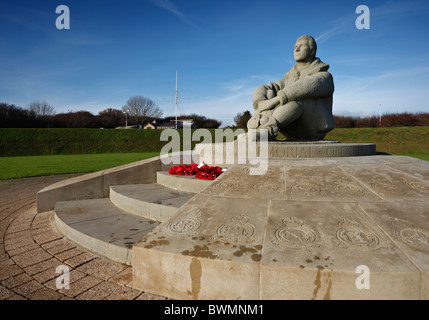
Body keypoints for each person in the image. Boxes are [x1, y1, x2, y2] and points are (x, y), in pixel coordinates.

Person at [247, 35, 334, 141]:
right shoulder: (290, 78)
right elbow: (268, 87)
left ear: (312, 51)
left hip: (312, 129)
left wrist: (276, 100)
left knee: (297, 96)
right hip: (292, 128)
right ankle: (257, 129)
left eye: (301, 46)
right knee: (269, 93)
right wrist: (260, 101)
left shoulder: (325, 76)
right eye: (295, 47)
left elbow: (306, 85)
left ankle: (266, 130)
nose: (296, 49)